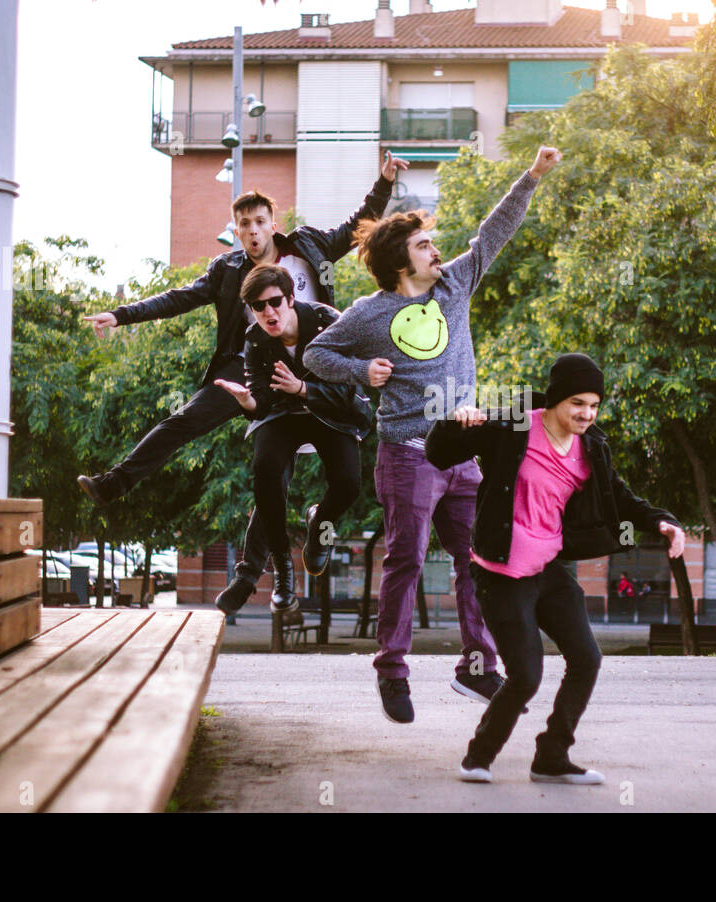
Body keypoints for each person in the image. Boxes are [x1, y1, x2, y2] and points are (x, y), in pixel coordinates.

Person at [304, 145, 563, 724]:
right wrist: (360, 371)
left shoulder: (453, 287)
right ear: (401, 260)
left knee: (481, 561)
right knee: (406, 558)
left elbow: (493, 233)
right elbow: (317, 354)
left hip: (463, 453)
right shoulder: (368, 314)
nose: (435, 249)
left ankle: (477, 669)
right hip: (407, 453)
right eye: (423, 244)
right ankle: (393, 673)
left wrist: (533, 175)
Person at [75, 155, 405, 606]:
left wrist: (384, 182)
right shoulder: (227, 270)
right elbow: (178, 299)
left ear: (273, 224)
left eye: (259, 221)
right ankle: (114, 483)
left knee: (285, 475)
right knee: (197, 426)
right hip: (249, 364)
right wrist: (122, 314)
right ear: (236, 230)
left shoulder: (309, 246)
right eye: (243, 224)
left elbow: (358, 224)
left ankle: (252, 575)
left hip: (316, 362)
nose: (252, 231)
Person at [425, 353, 686, 784]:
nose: (586, 414)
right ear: (556, 401)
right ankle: (478, 757)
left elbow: (620, 497)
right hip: (500, 573)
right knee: (526, 675)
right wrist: (456, 421)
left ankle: (551, 756)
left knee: (586, 658)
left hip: (548, 570)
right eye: (577, 403)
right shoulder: (512, 426)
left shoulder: (591, 447)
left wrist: (663, 522)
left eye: (594, 405)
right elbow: (439, 454)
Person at [212, 264, 373, 614]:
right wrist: (248, 401)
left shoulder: (328, 321)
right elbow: (261, 400)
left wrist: (303, 388)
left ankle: (320, 524)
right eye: (258, 306)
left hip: (331, 411)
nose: (268, 312)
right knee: (266, 469)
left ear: (290, 298)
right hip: (283, 414)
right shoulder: (255, 339)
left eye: (274, 302)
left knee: (347, 485)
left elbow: (347, 391)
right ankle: (283, 572)